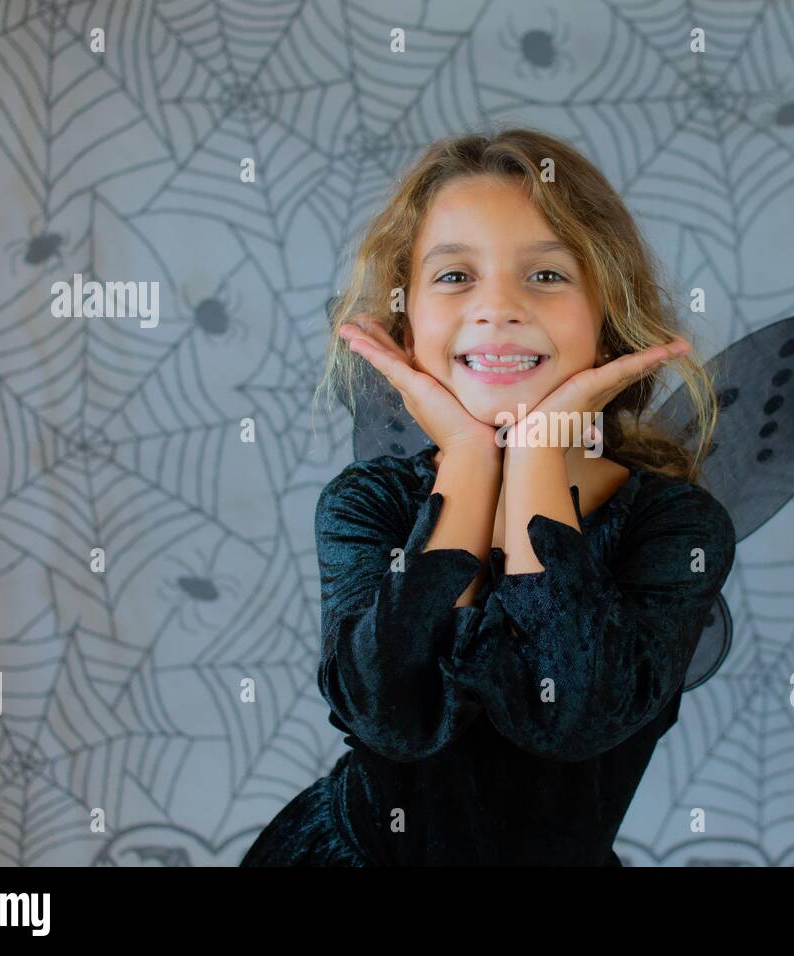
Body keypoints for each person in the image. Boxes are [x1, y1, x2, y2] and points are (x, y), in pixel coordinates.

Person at [240, 127, 736, 866]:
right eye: (454, 276)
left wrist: (535, 455)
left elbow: (577, 715)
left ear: (607, 315)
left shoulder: (673, 527)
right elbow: (391, 717)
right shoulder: (364, 508)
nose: (498, 307)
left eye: (545, 276)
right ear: (407, 325)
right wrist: (472, 460)